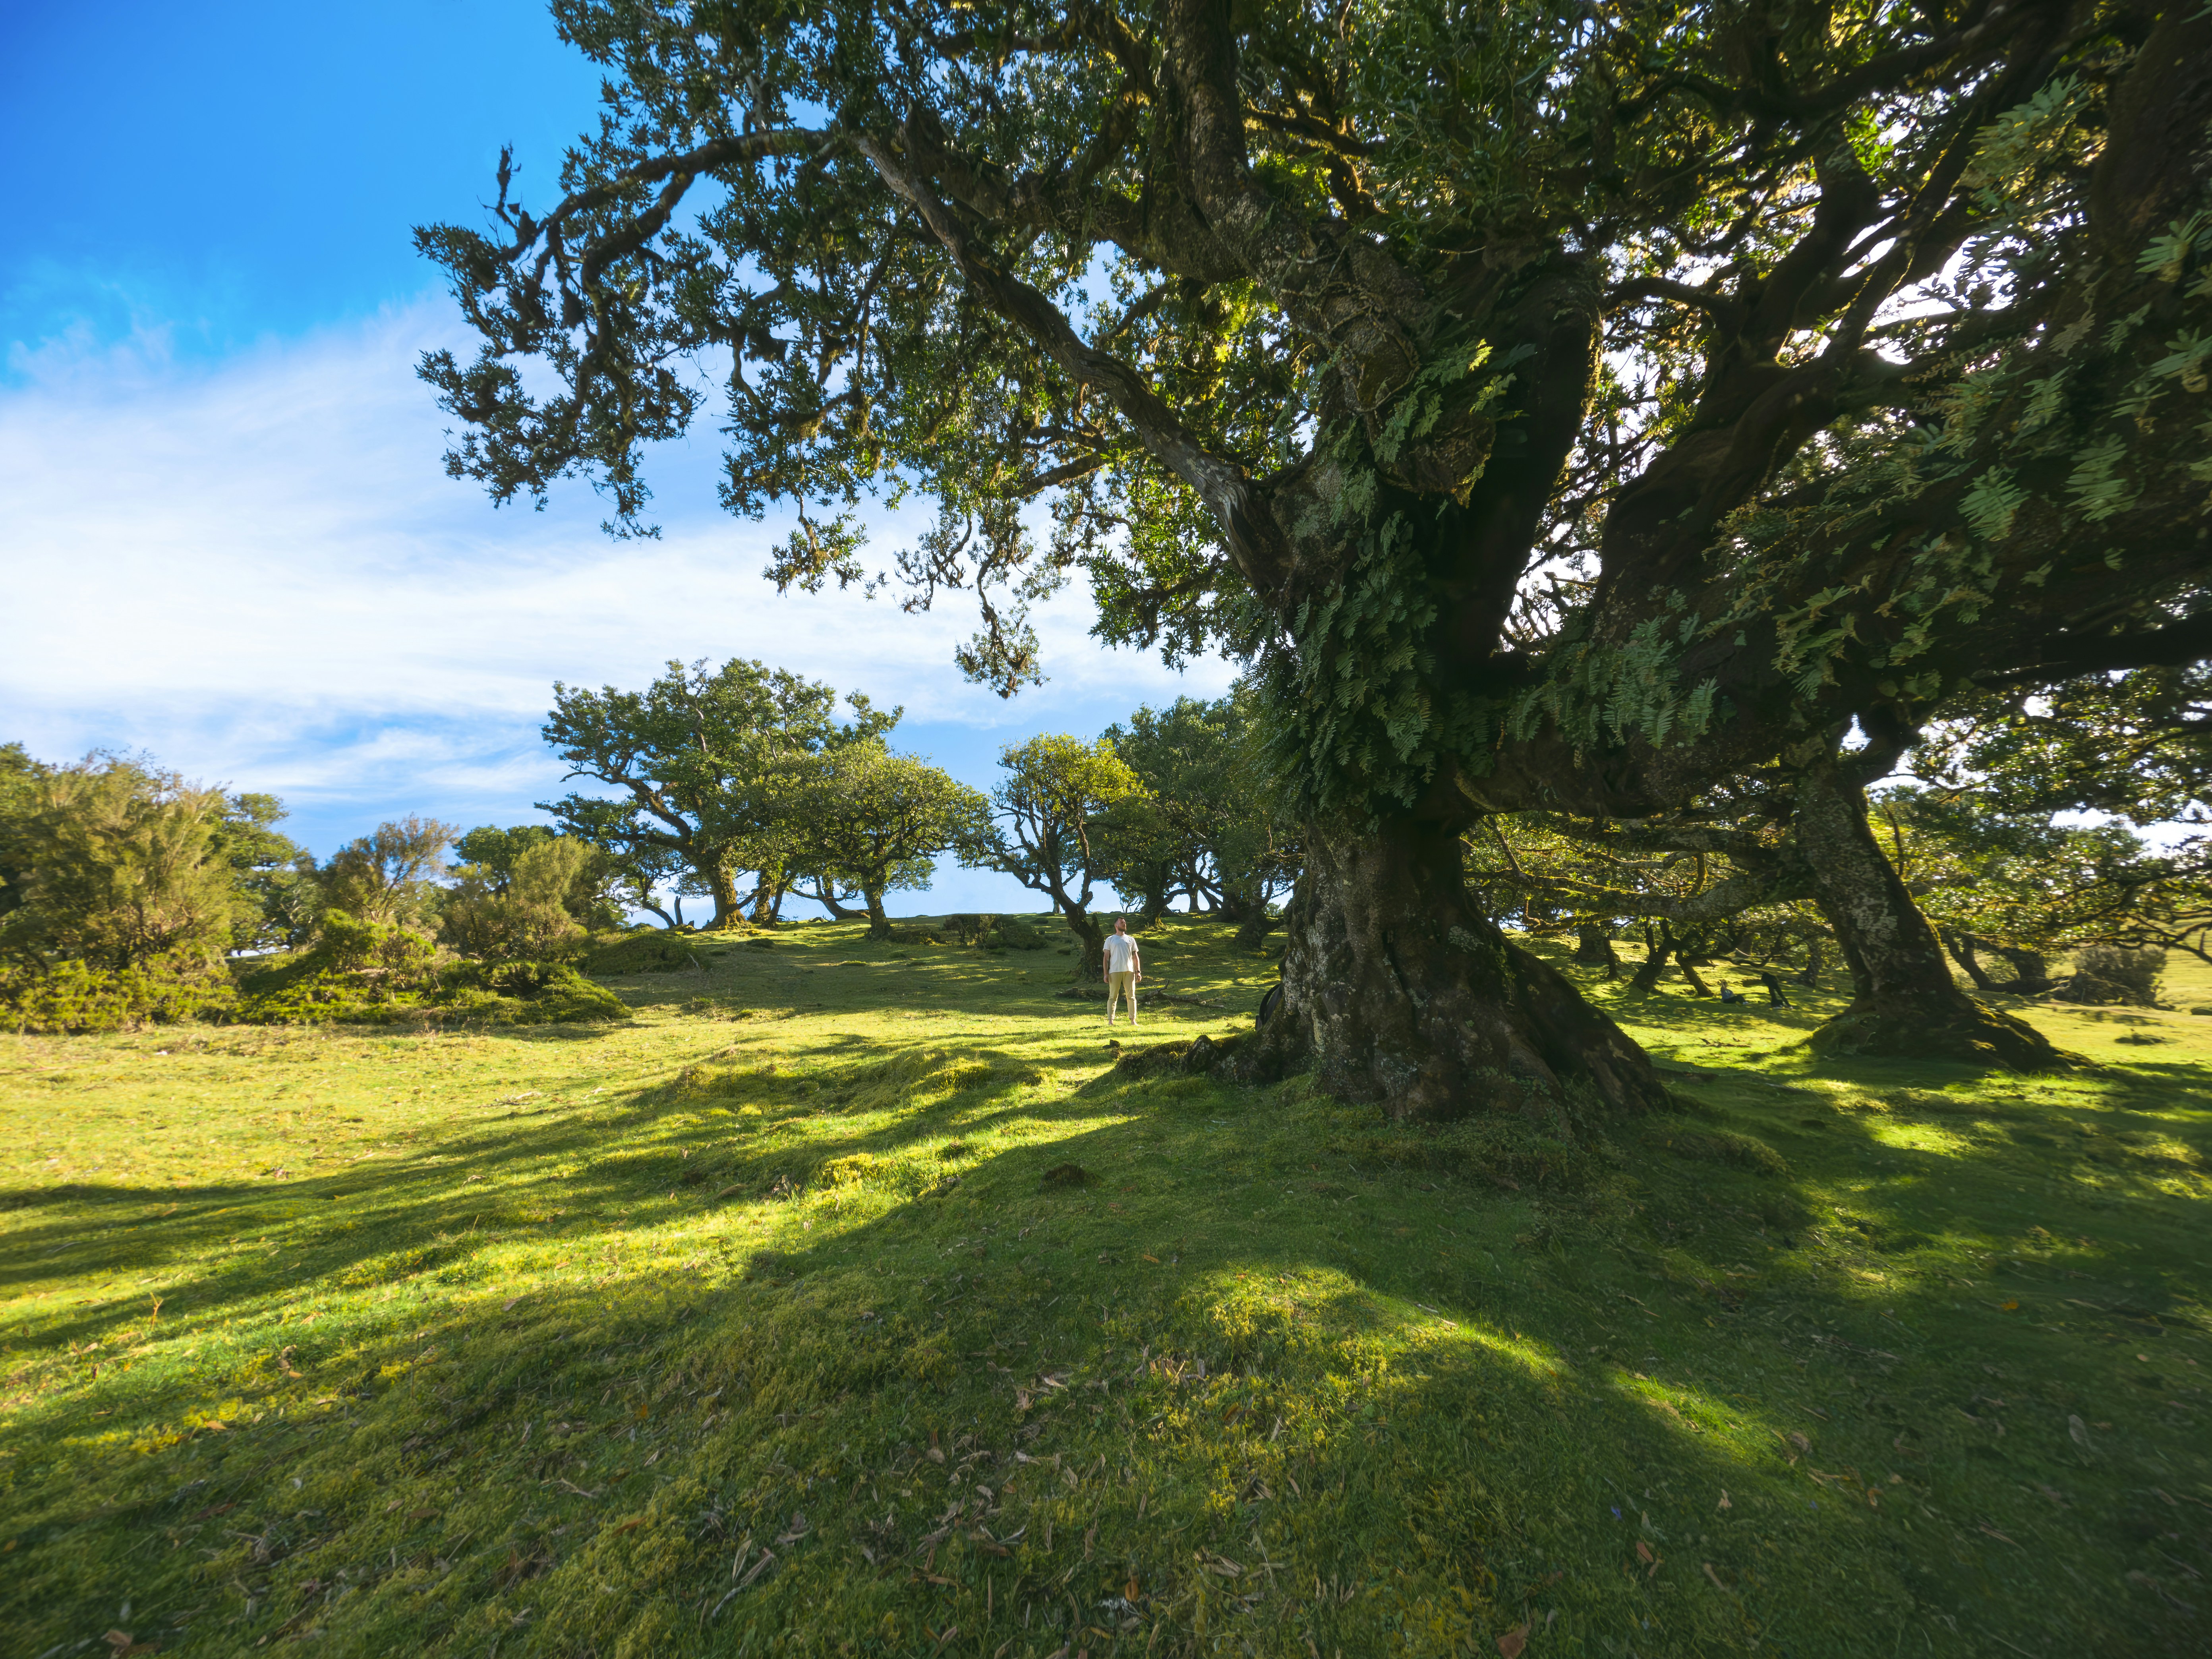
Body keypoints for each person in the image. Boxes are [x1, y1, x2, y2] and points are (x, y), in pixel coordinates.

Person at [1102, 915, 1142, 1027]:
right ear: (1116, 925)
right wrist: (1106, 974)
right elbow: (1106, 958)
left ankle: (1133, 1020)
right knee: (1113, 996)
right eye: (1122, 923)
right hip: (1114, 971)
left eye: (1125, 922)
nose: (1124, 924)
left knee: (1131, 996)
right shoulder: (1110, 940)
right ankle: (1111, 1021)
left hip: (1129, 971)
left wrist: (1138, 971)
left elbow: (1136, 957)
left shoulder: (1131, 940)